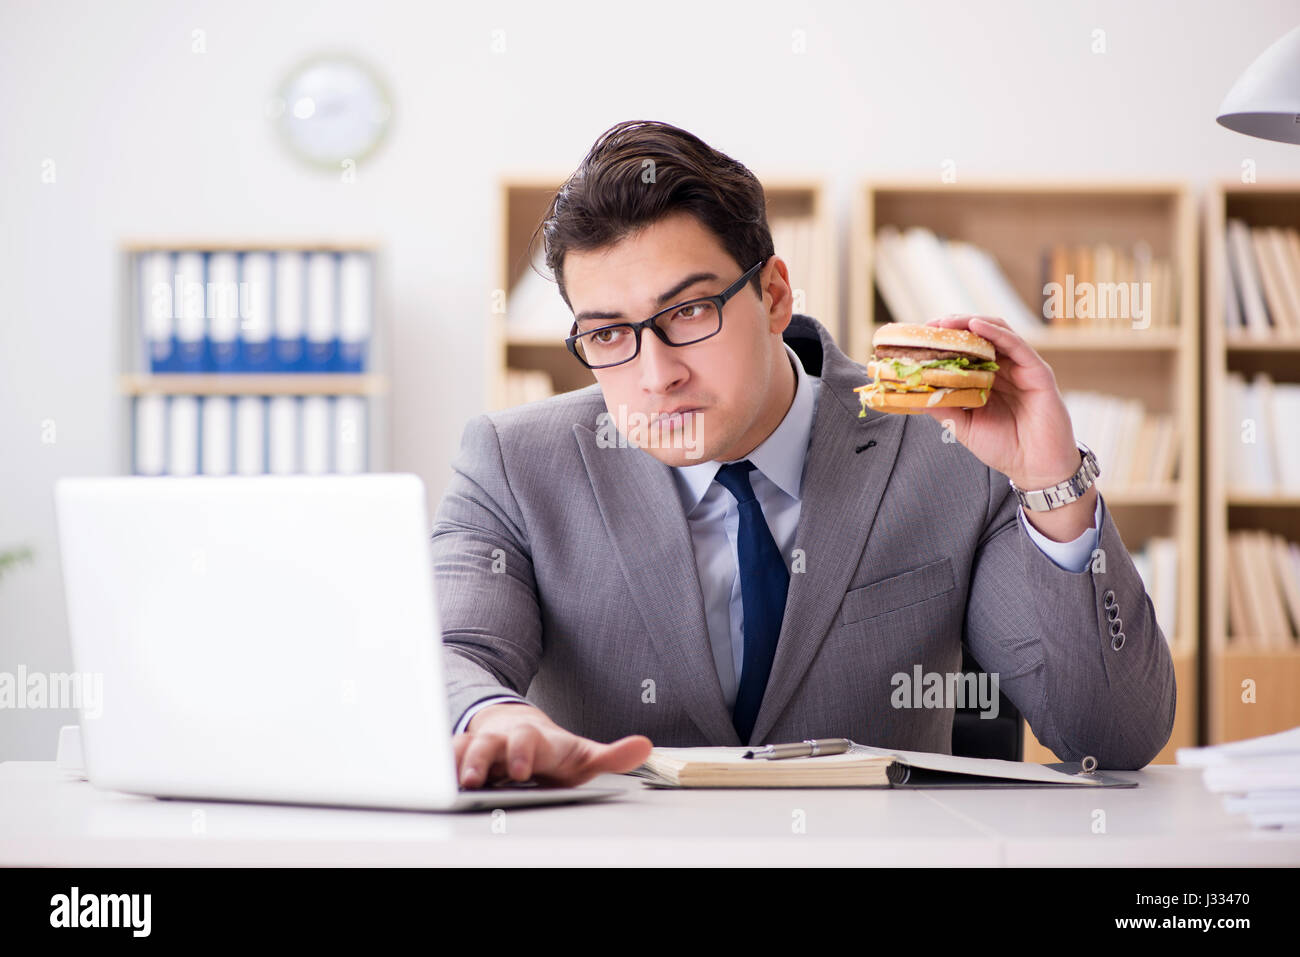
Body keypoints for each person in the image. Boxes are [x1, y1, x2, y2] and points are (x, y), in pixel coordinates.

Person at [433, 119, 1175, 789]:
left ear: (774, 296)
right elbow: (446, 653)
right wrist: (491, 715)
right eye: (607, 334)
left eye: (689, 311)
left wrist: (1052, 483)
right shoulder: (514, 464)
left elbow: (1111, 739)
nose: (656, 375)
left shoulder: (953, 447)